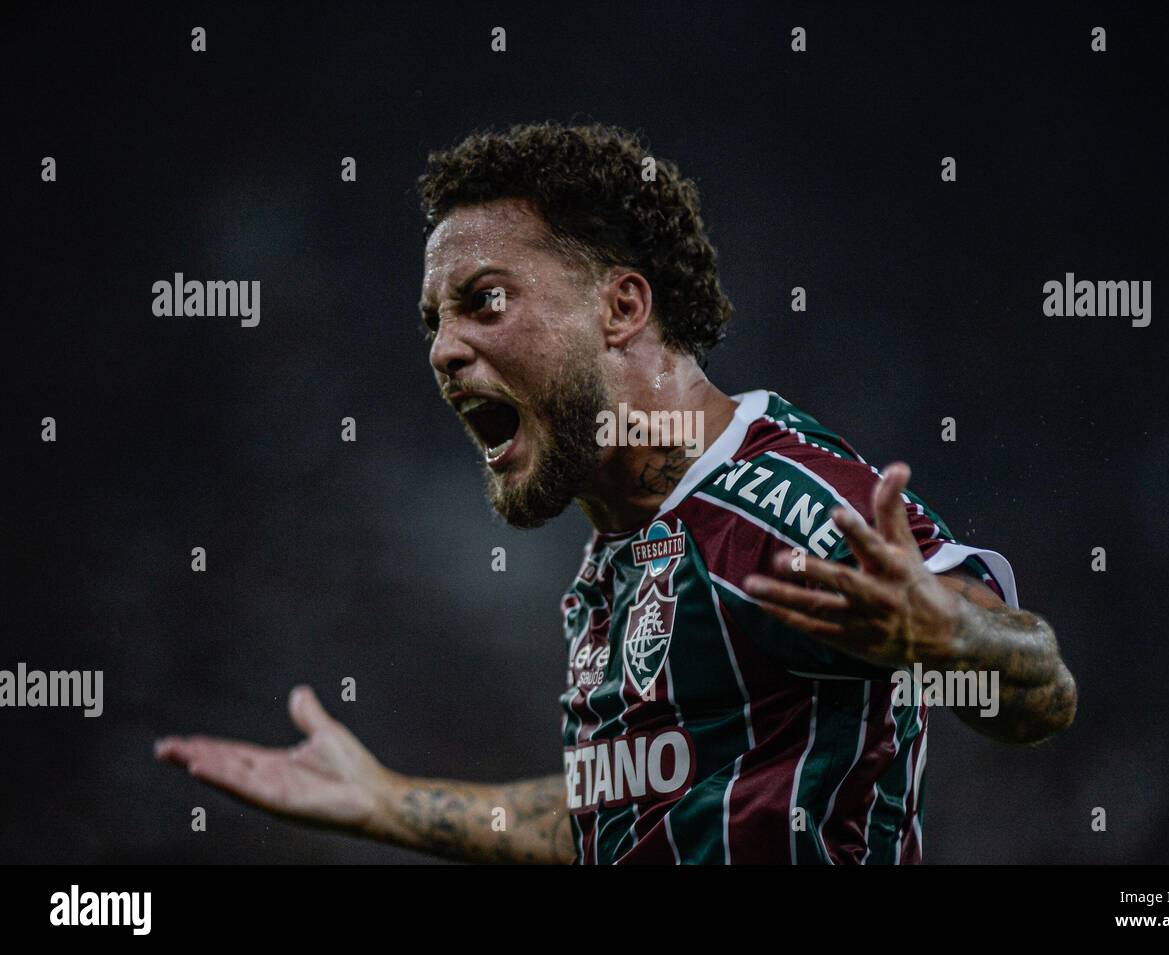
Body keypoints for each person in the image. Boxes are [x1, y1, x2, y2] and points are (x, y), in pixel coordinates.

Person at [156, 122, 1077, 864]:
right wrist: (387, 802)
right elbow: (616, 818)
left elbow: (1040, 688)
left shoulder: (775, 500)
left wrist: (948, 634)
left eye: (485, 300)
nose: (442, 349)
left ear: (622, 307)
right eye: (434, 320)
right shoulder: (619, 548)